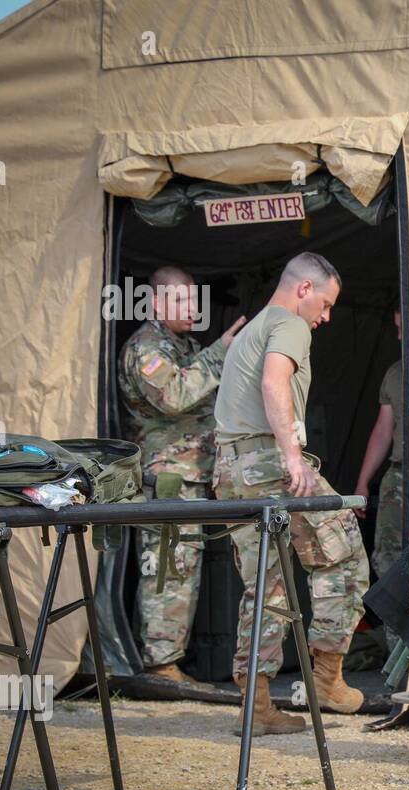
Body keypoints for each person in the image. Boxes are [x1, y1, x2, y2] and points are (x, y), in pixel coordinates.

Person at [212, 252, 370, 735]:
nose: (324, 318)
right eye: (324, 304)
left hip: (232, 470)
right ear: (303, 289)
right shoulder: (288, 323)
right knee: (343, 557)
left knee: (267, 585)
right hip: (268, 465)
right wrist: (292, 455)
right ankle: (326, 677)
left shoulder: (257, 327)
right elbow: (274, 381)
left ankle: (255, 705)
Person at [118, 265, 246, 683]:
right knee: (168, 569)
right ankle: (159, 663)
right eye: (182, 301)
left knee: (183, 569)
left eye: (195, 301)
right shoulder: (146, 347)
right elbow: (173, 396)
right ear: (156, 303)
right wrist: (220, 350)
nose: (193, 309)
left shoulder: (180, 344)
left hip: (191, 475)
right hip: (168, 477)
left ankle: (169, 659)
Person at [354, 309, 406, 635]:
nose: (399, 337)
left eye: (403, 328)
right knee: (388, 563)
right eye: (397, 327)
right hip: (398, 479)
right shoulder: (395, 373)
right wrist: (362, 484)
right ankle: (394, 651)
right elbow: (382, 432)